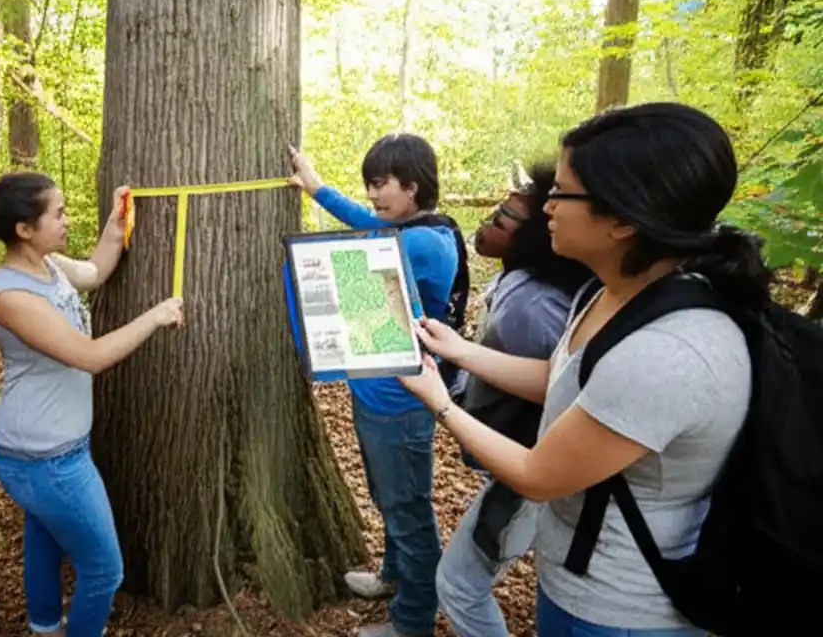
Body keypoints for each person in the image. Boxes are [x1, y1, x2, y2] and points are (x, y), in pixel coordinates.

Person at [398, 103, 765, 636]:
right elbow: (564, 382)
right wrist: (459, 350)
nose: (545, 206)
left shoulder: (670, 352)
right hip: (572, 581)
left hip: (627, 611)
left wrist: (440, 402)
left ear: (621, 219)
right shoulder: (608, 292)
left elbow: (537, 476)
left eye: (562, 193)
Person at [0, 173, 183, 637]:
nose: (66, 220)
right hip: (44, 458)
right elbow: (90, 355)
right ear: (24, 229)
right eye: (57, 214)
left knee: (43, 541)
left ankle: (44, 627)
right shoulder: (13, 297)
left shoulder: (48, 264)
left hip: (49, 450)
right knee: (104, 570)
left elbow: (96, 270)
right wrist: (156, 315)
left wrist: (117, 225)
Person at [287, 135, 461, 637]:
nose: (372, 196)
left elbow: (361, 257)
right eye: (369, 186)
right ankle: (394, 576)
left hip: (402, 400)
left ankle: (413, 618)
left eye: (381, 185)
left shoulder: (424, 241)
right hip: (377, 393)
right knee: (392, 499)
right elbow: (366, 226)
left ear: (413, 185)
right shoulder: (403, 228)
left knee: (408, 509)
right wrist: (317, 188)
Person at [436, 162, 592, 637]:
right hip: (522, 463)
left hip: (532, 467)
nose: (488, 222)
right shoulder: (518, 281)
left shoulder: (533, 305)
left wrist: (443, 402)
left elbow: (564, 387)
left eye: (503, 217)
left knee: (460, 584)